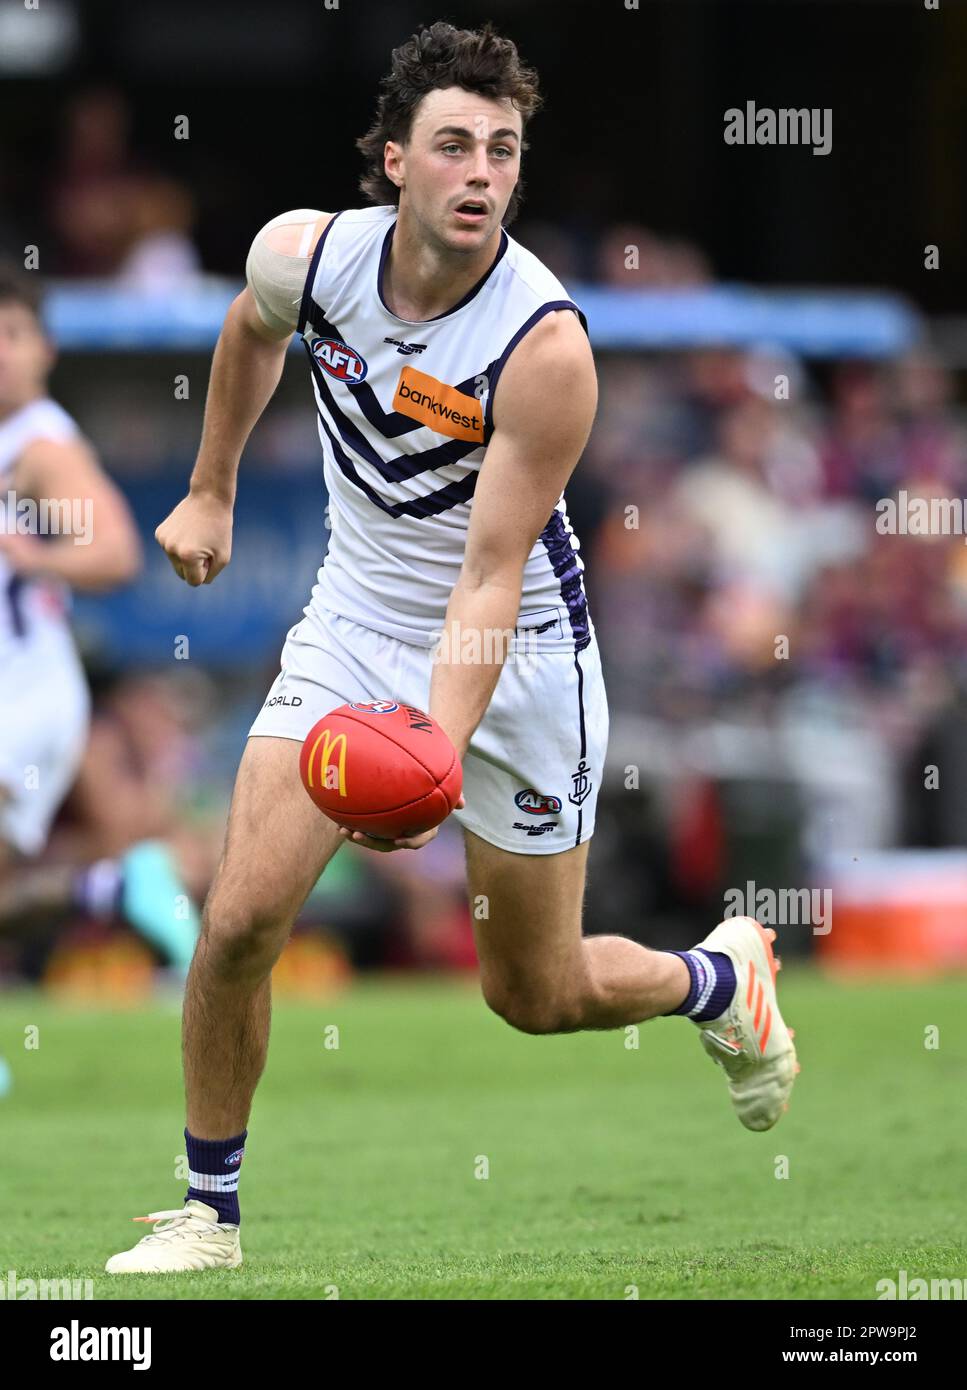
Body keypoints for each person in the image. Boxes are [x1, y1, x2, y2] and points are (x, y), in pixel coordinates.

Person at [107, 21, 798, 1274]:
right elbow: (249, 328)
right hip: (353, 623)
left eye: (503, 149)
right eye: (454, 146)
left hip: (518, 655)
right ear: (393, 161)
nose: (481, 172)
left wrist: (430, 746)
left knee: (536, 993)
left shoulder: (544, 346)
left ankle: (716, 977)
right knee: (240, 920)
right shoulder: (307, 255)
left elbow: (488, 575)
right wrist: (210, 489)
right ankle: (209, 1215)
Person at [0, 268, 199, 974]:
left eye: (12, 334)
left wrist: (37, 557)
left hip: (24, 694)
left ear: (45, 349)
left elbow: (114, 552)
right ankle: (112, 889)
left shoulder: (39, 449)